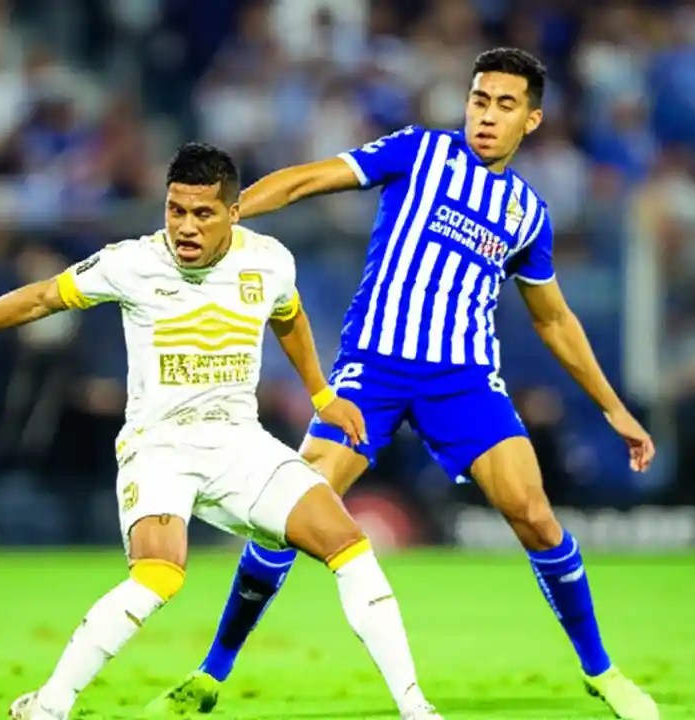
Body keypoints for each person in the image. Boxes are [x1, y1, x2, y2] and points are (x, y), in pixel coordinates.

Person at [150, 48, 659, 720]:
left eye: (505, 106)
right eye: (479, 99)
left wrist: (614, 408)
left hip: (464, 379)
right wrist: (231, 217)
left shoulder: (527, 214)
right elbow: (310, 179)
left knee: (534, 515)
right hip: (374, 370)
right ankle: (211, 674)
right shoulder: (419, 151)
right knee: (291, 510)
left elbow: (555, 319)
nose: (485, 115)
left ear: (531, 121)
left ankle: (602, 671)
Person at [0, 143, 442, 720]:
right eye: (175, 210)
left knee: (350, 546)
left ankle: (414, 708)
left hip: (239, 443)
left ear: (234, 213)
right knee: (159, 575)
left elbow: (290, 317)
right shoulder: (131, 262)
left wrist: (323, 396)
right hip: (160, 447)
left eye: (202, 213)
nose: (185, 227)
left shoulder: (270, 261)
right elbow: (41, 297)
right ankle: (48, 705)